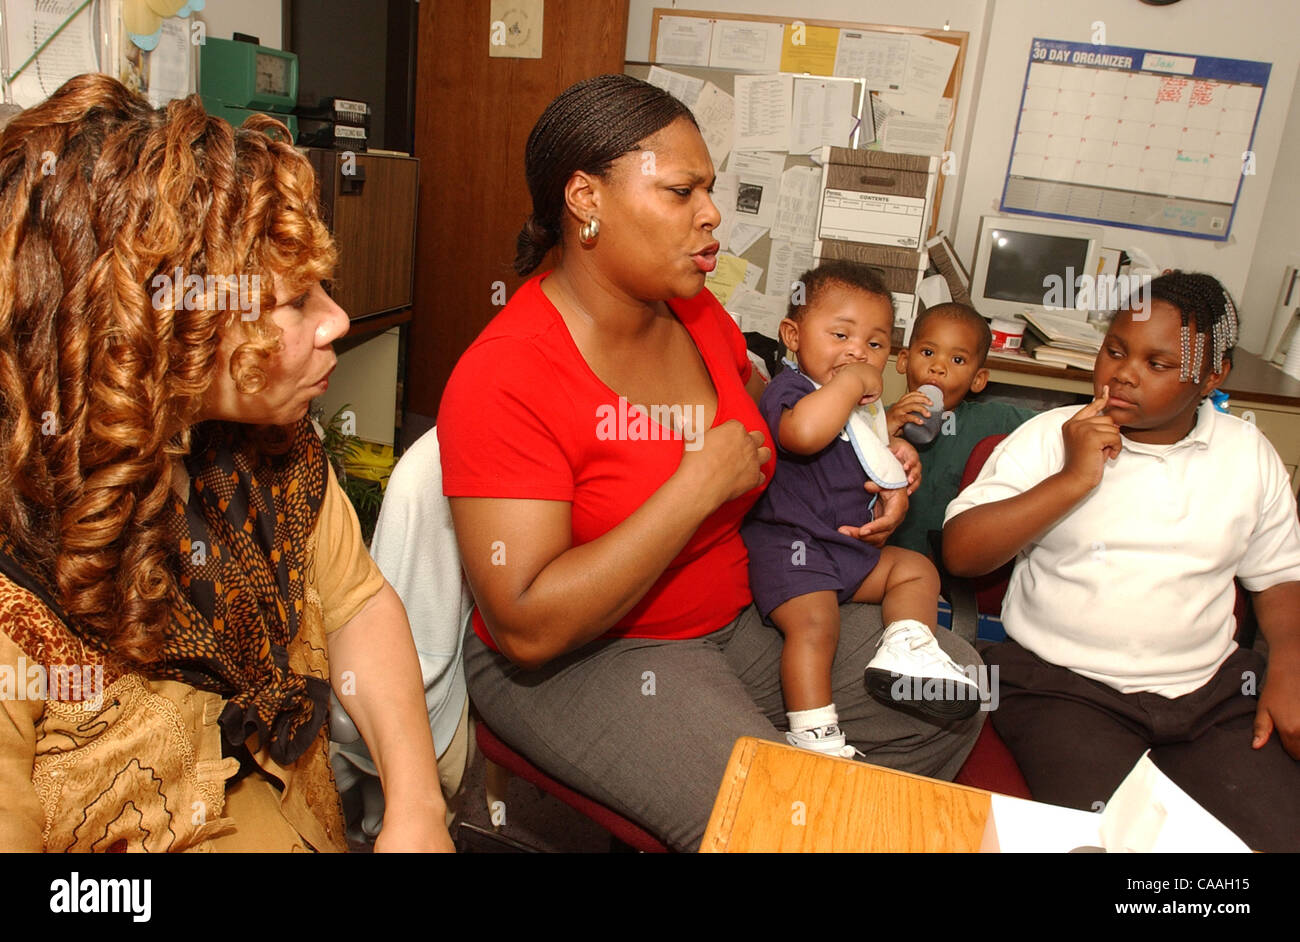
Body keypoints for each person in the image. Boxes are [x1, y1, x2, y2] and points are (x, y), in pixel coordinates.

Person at [438, 74, 984, 852]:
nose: (711, 215)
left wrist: (873, 454)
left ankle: (832, 815)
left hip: (736, 613)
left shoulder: (697, 316)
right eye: (681, 191)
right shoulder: (507, 375)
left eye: (711, 189)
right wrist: (692, 489)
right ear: (585, 199)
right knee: (775, 823)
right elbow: (524, 624)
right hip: (592, 658)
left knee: (954, 686)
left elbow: (782, 424)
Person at [0, 74, 451, 852]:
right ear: (154, 324)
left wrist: (417, 808)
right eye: (297, 301)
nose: (337, 320)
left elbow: (361, 606)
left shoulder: (266, 449)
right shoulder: (18, 588)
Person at [943, 272, 1300, 852]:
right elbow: (962, 553)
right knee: (1116, 844)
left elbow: (1281, 575)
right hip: (1061, 687)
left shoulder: (1246, 453)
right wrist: (1072, 477)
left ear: (1212, 377)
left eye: (1158, 364)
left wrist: (1289, 659)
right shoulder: (1050, 436)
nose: (1123, 373)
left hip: (1207, 693)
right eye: (1115, 350)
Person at [741, 263, 981, 759]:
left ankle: (906, 647)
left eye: (874, 344)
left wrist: (897, 452)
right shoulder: (792, 389)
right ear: (793, 336)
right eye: (840, 334)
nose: (857, 352)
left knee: (915, 569)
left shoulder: (863, 409)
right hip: (792, 553)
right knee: (816, 626)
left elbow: (869, 449)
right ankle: (813, 735)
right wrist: (851, 384)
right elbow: (804, 435)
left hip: (846, 548)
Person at [886, 302, 1036, 556]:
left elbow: (1055, 426)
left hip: (954, 569)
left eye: (957, 360)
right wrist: (885, 428)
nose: (938, 367)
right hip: (883, 558)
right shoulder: (879, 418)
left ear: (978, 380)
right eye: (927, 352)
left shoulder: (992, 421)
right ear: (903, 360)